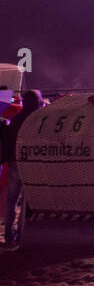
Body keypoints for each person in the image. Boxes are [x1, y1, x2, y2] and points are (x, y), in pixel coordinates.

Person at [2, 90, 42, 248]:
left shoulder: (17, 118)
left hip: (14, 163)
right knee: (26, 201)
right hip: (31, 164)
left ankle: (8, 235)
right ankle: (21, 234)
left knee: (11, 201)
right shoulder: (38, 120)